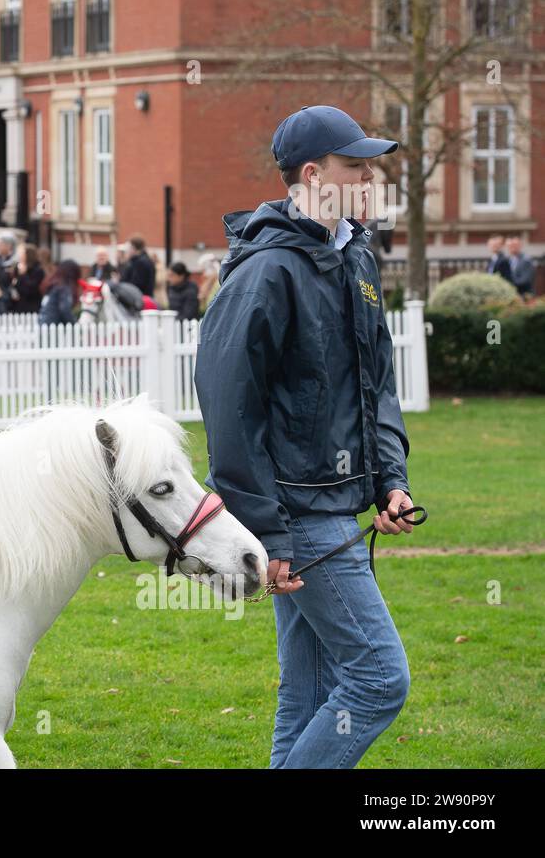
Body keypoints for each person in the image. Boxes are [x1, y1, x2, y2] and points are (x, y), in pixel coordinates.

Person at [195, 104, 416, 769]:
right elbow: (229, 407)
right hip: (298, 516)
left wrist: (390, 481)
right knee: (380, 680)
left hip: (338, 508)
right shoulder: (266, 271)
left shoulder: (356, 256)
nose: (371, 177)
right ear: (315, 175)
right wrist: (268, 531)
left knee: (311, 689)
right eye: (356, 166)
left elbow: (373, 381)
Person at [39, 259, 80, 325]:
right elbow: (64, 309)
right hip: (53, 325)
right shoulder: (63, 288)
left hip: (44, 323)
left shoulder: (55, 285)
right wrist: (74, 323)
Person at [11, 245, 45, 314]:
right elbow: (14, 284)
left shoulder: (38, 270)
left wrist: (23, 275)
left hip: (32, 306)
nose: (19, 256)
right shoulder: (18, 268)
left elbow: (31, 289)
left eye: (22, 254)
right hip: (18, 305)